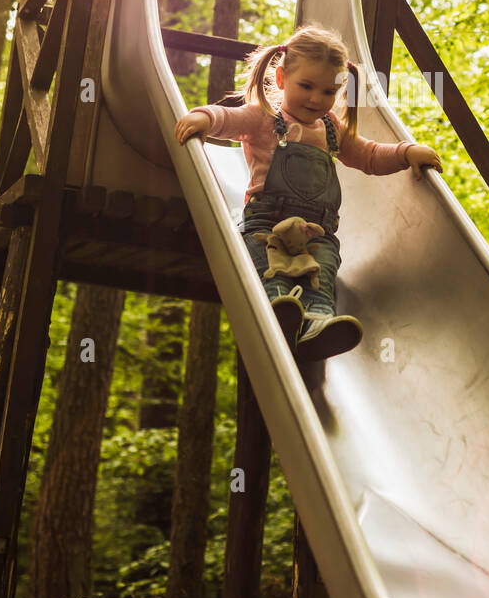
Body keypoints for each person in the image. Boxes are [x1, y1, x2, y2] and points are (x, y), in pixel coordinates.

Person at [174, 23, 442, 361]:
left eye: (329, 92)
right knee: (273, 270)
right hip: (266, 225)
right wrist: (202, 116)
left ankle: (317, 326)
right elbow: (228, 118)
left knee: (323, 271)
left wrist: (405, 153)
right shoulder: (264, 118)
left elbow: (370, 155)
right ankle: (278, 312)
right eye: (307, 86)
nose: (317, 98)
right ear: (283, 78)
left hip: (317, 230)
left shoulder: (331, 128)